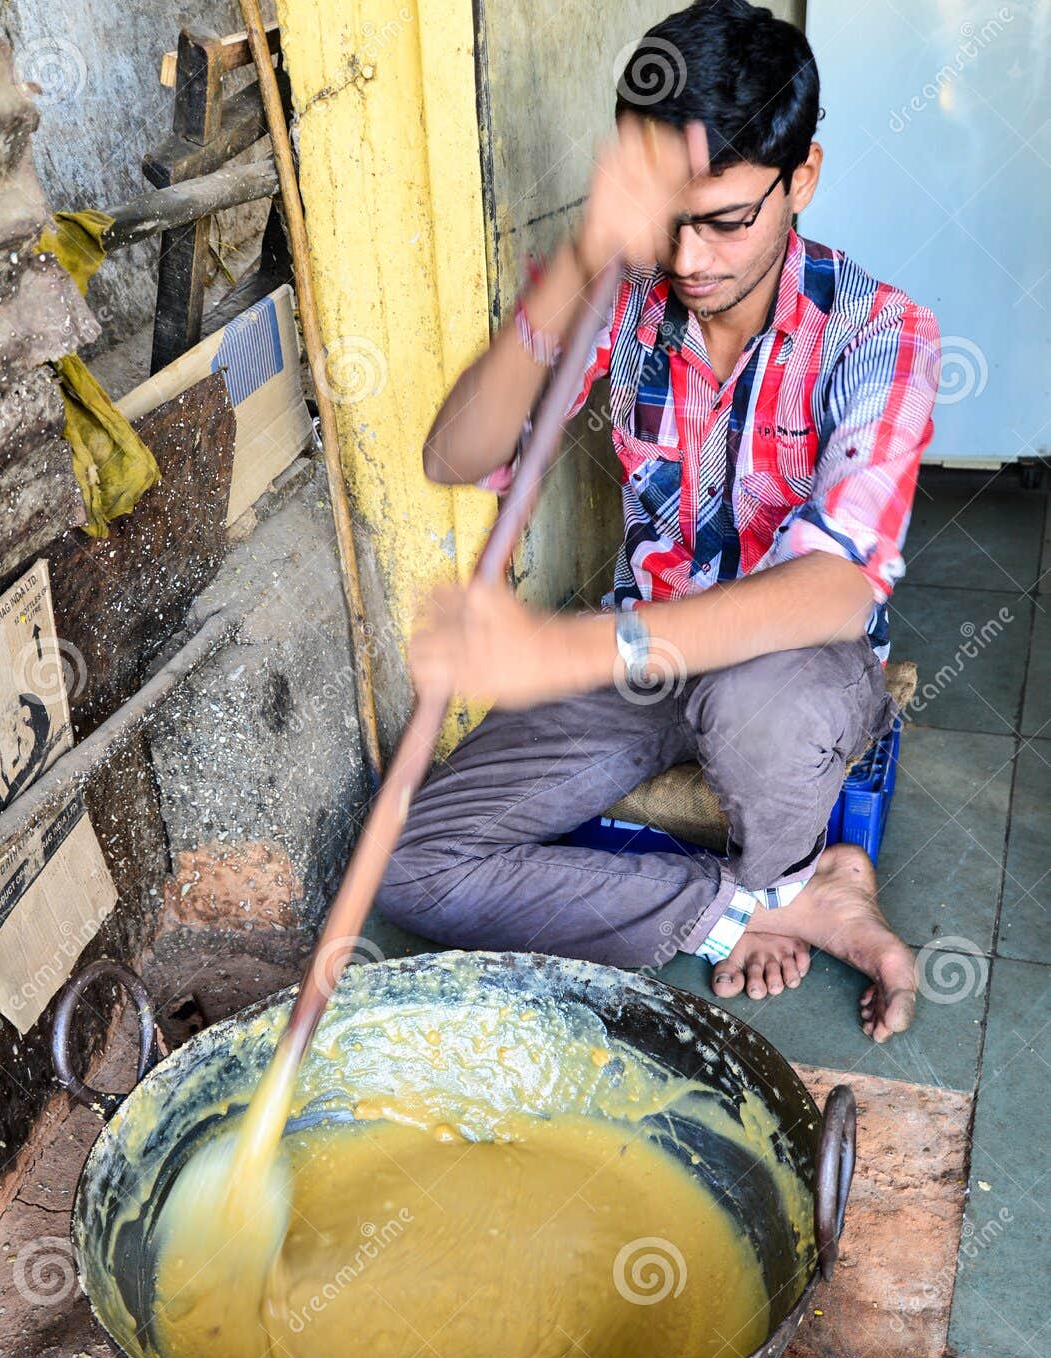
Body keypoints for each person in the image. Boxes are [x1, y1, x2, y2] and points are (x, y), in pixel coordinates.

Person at [376, 0, 940, 1042]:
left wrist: (563, 649)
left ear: (799, 179)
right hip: (638, 663)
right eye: (666, 217)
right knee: (410, 866)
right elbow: (453, 454)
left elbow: (837, 584)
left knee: (767, 714)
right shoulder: (624, 294)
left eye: (724, 219)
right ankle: (757, 904)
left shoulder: (881, 332)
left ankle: (781, 860)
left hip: (787, 664)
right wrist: (581, 261)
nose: (688, 257)